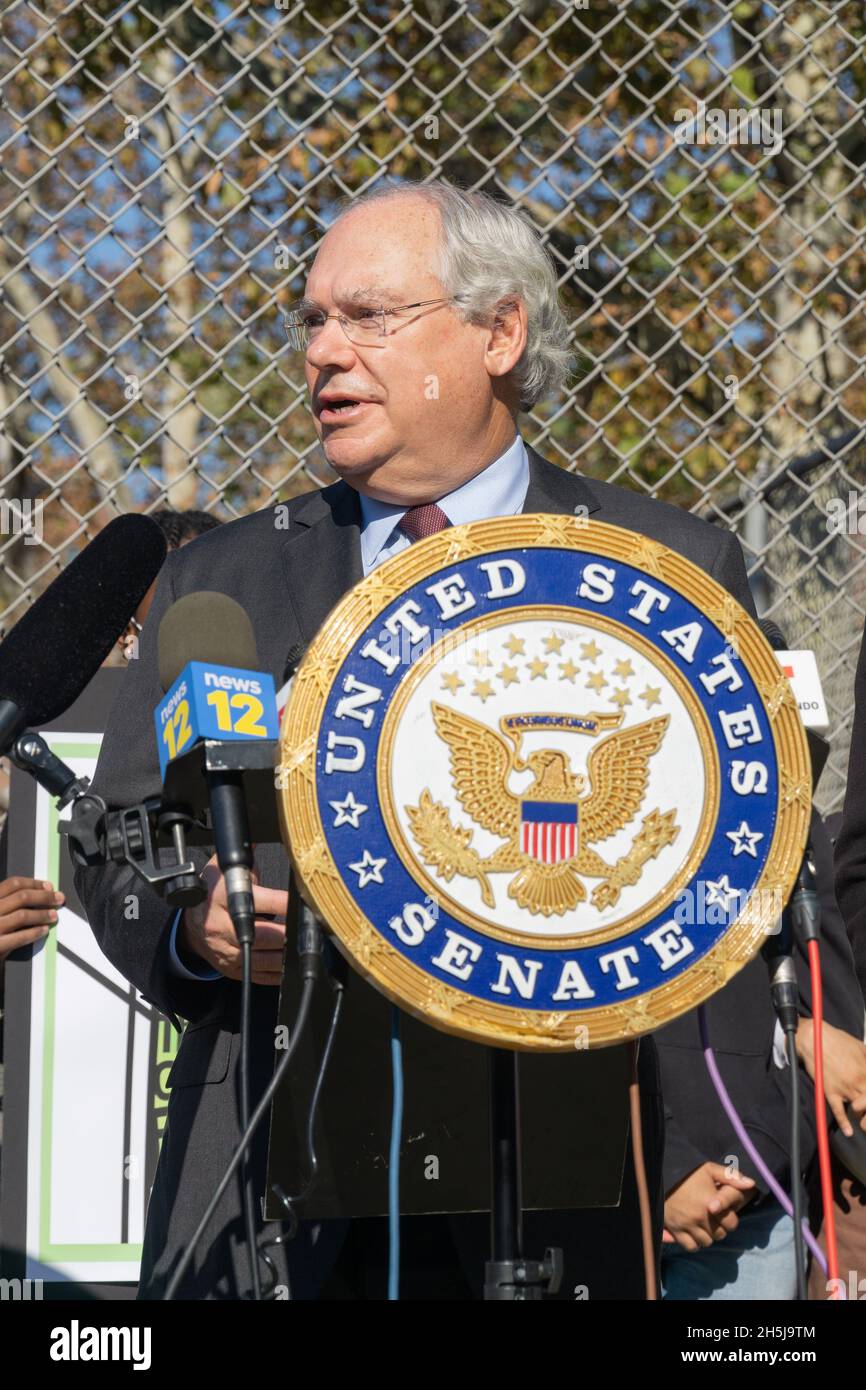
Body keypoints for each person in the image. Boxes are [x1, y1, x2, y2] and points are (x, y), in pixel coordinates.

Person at [74, 178, 759, 1300]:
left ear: (498, 332)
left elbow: (743, 865)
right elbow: (116, 840)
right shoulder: (224, 580)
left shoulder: (665, 562)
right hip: (273, 1177)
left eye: (369, 316)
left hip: (570, 1167)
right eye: (310, 323)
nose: (324, 355)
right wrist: (194, 928)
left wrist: (713, 1125)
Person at [658, 810, 866, 1299]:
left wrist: (745, 1169)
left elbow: (832, 1036)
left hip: (752, 1215)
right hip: (607, 1198)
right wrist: (667, 1169)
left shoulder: (785, 810)